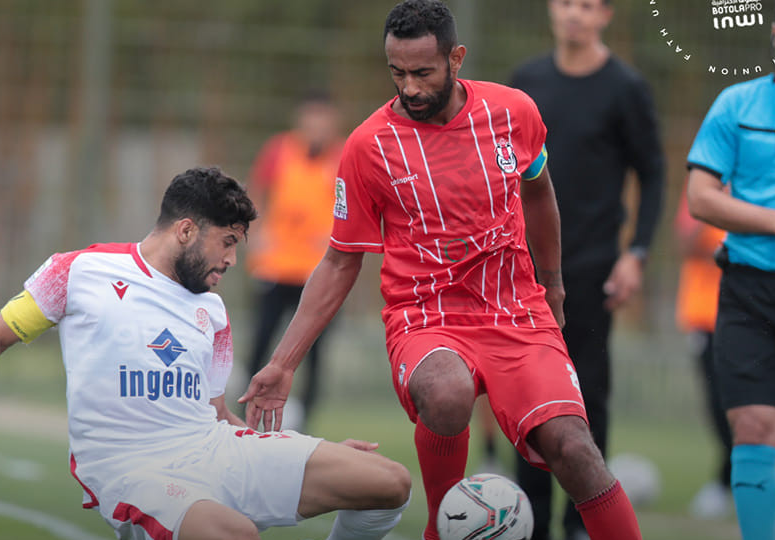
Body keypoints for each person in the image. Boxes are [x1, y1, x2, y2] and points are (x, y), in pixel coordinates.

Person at [239, 2, 642, 539]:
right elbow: (340, 260)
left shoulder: (513, 111)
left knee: (575, 449)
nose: (410, 87)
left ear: (456, 58)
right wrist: (284, 363)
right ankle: (441, 527)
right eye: (397, 72)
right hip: (425, 316)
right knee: (447, 391)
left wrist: (552, 283)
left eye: (423, 73)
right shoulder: (368, 146)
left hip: (515, 311)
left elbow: (539, 191)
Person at [0, 168, 411, 540]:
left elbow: (215, 414)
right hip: (129, 467)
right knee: (235, 534)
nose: (232, 260)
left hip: (211, 449)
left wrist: (305, 447)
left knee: (387, 482)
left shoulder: (213, 311)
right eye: (227, 242)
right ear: (186, 230)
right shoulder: (79, 272)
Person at [507, 1, 665, 537]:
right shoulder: (526, 83)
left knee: (586, 393)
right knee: (525, 392)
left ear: (606, 14)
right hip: (526, 268)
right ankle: (528, 520)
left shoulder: (625, 87)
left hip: (593, 267)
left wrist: (635, 253)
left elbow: (653, 174)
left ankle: (582, 521)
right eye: (566, 3)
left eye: (588, 4)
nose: (575, 14)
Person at [686, 1, 775, 538]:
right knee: (756, 426)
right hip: (747, 291)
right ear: (773, 38)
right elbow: (700, 197)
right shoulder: (737, 103)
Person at [244, 93, 343, 431]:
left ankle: (305, 420)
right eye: (311, 118)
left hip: (320, 272)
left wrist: (337, 235)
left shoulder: (343, 155)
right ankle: (246, 408)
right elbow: (256, 190)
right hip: (277, 266)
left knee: (315, 350)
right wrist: (258, 231)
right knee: (262, 339)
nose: (316, 126)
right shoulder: (279, 150)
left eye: (323, 119)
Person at [674, 189, 733, 519]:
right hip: (706, 316)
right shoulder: (704, 182)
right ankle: (726, 482)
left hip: (753, 314)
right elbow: (686, 245)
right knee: (719, 406)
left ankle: (726, 482)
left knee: (751, 406)